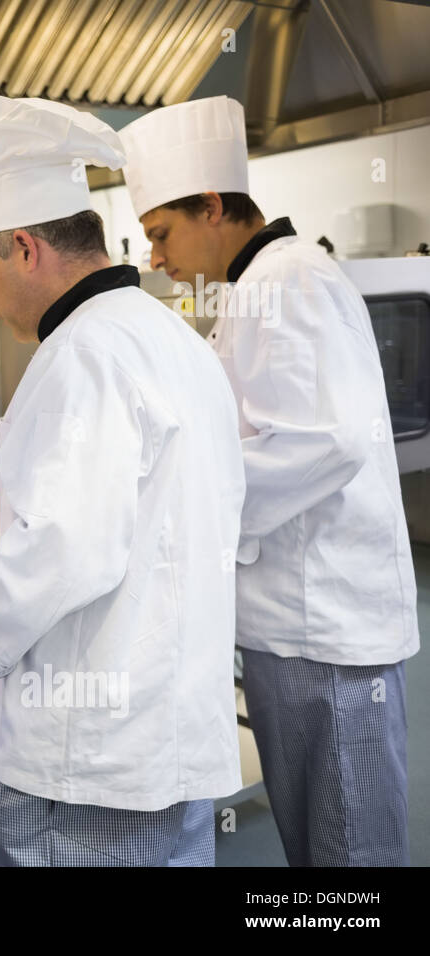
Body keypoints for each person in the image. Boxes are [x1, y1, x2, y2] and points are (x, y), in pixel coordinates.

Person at [0, 95, 246, 866]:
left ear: (25, 248)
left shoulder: (81, 354)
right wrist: (20, 516)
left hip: (83, 778)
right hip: (165, 747)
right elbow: (148, 524)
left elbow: (66, 556)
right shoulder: (172, 341)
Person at [120, 95, 419, 866]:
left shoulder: (287, 283)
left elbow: (329, 441)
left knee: (349, 863)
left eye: (161, 234)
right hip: (294, 627)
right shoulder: (255, 288)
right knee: (318, 854)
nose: (156, 257)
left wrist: (188, 494)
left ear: (213, 207)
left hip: (327, 632)